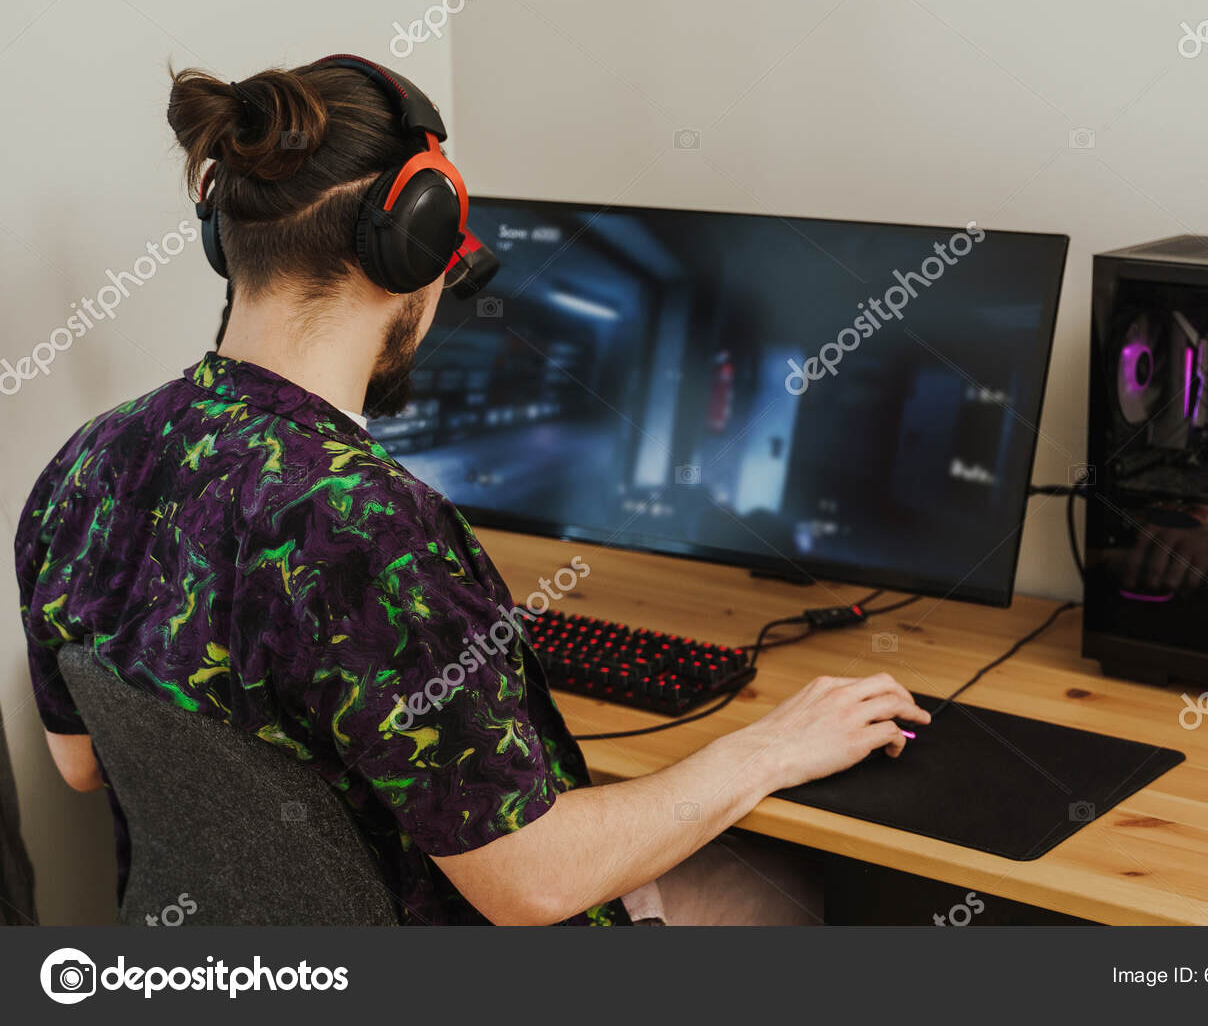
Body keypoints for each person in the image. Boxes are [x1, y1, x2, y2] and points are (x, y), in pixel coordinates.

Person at [15, 56, 929, 926]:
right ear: (411, 244)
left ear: (228, 237)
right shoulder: (369, 525)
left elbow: (82, 764)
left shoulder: (83, 464)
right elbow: (533, 884)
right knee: (803, 883)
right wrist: (769, 746)